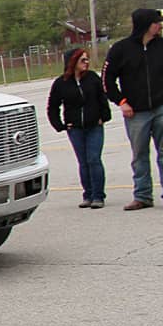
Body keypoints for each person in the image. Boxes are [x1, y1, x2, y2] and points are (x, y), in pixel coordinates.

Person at [102, 7, 163, 210]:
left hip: (162, 108)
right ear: (146, 24)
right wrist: (121, 102)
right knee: (139, 155)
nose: (159, 25)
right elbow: (107, 80)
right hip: (136, 112)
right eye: (156, 22)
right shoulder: (120, 49)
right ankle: (142, 196)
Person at [47, 46, 110, 208]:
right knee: (83, 161)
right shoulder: (61, 83)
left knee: (93, 159)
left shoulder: (92, 78)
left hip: (94, 126)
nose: (86, 62)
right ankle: (88, 194)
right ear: (73, 62)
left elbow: (102, 98)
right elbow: (52, 106)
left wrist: (104, 117)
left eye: (87, 59)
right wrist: (60, 125)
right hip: (75, 128)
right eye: (83, 59)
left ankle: (98, 196)